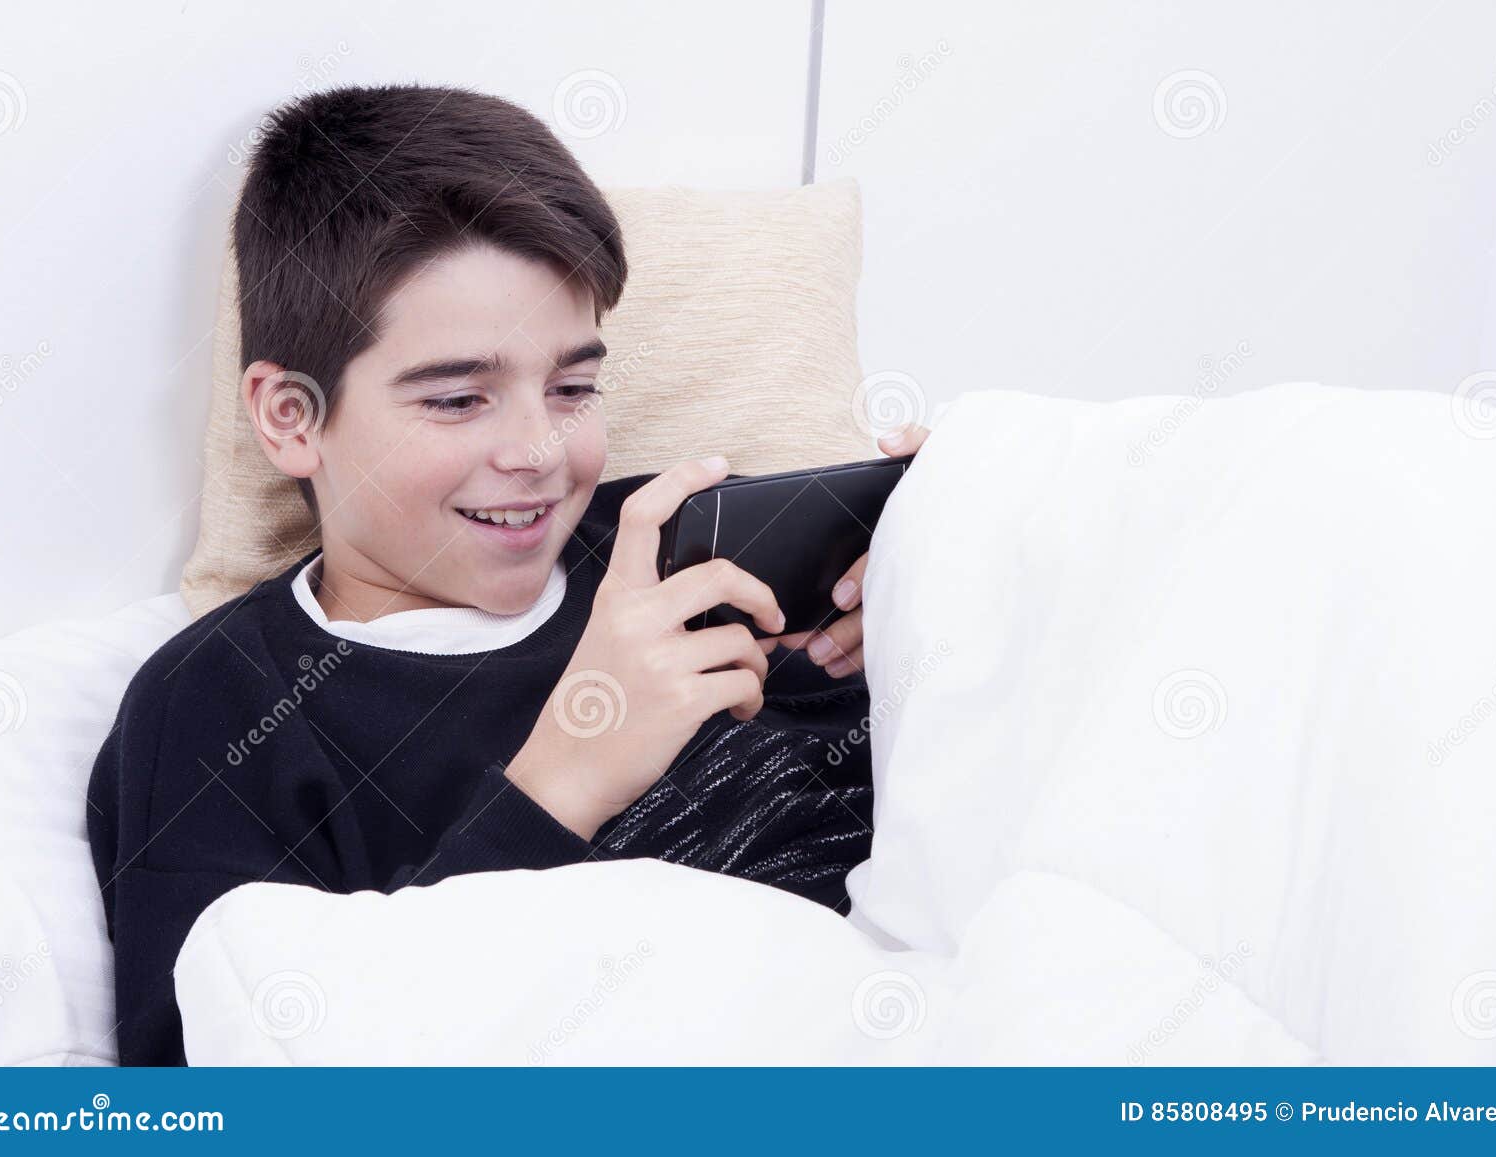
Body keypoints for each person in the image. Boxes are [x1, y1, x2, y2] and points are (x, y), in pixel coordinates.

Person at [87, 82, 928, 1065]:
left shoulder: (675, 540)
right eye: (457, 399)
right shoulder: (221, 710)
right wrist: (567, 770)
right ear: (291, 416)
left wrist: (923, 605)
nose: (536, 450)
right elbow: (197, 1087)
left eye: (572, 386)